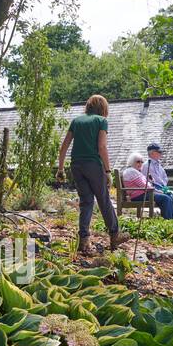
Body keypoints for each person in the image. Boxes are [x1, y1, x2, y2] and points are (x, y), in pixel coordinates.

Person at [56, 94, 123, 255]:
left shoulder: (76, 121)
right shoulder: (101, 121)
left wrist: (60, 169)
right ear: (103, 108)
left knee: (86, 201)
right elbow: (102, 147)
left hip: (76, 166)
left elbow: (64, 146)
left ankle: (84, 240)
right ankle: (115, 236)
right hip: (93, 165)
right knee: (103, 199)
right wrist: (108, 171)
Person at [123, 152, 173, 218]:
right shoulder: (131, 171)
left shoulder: (135, 171)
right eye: (138, 162)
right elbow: (144, 186)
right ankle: (169, 220)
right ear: (132, 162)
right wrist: (158, 191)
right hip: (139, 196)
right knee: (165, 198)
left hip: (144, 194)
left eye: (141, 162)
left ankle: (172, 218)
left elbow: (145, 185)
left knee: (168, 196)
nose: (140, 164)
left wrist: (151, 182)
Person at [144, 143, 173, 218]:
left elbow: (165, 177)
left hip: (162, 188)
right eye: (159, 152)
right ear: (152, 153)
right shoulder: (147, 165)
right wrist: (161, 186)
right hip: (155, 189)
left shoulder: (159, 165)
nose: (161, 154)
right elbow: (150, 180)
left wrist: (163, 185)